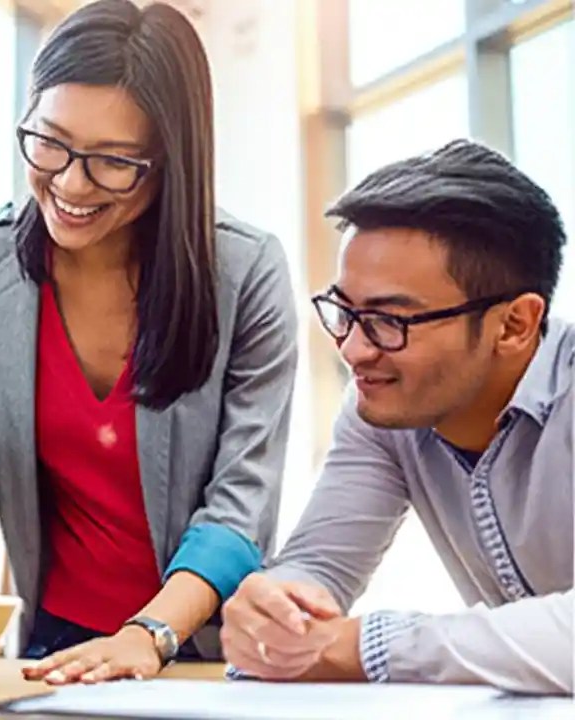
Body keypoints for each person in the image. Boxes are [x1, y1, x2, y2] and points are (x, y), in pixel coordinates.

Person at [0, 0, 296, 685]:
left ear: (171, 162)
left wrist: (150, 633)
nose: (71, 185)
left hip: (201, 646)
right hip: (55, 647)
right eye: (49, 142)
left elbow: (242, 501)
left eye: (113, 162)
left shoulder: (245, 273)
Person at [221, 139, 573, 696]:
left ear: (514, 325)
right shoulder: (384, 408)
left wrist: (369, 646)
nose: (354, 350)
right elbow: (320, 565)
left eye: (389, 321)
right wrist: (276, 612)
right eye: (345, 312)